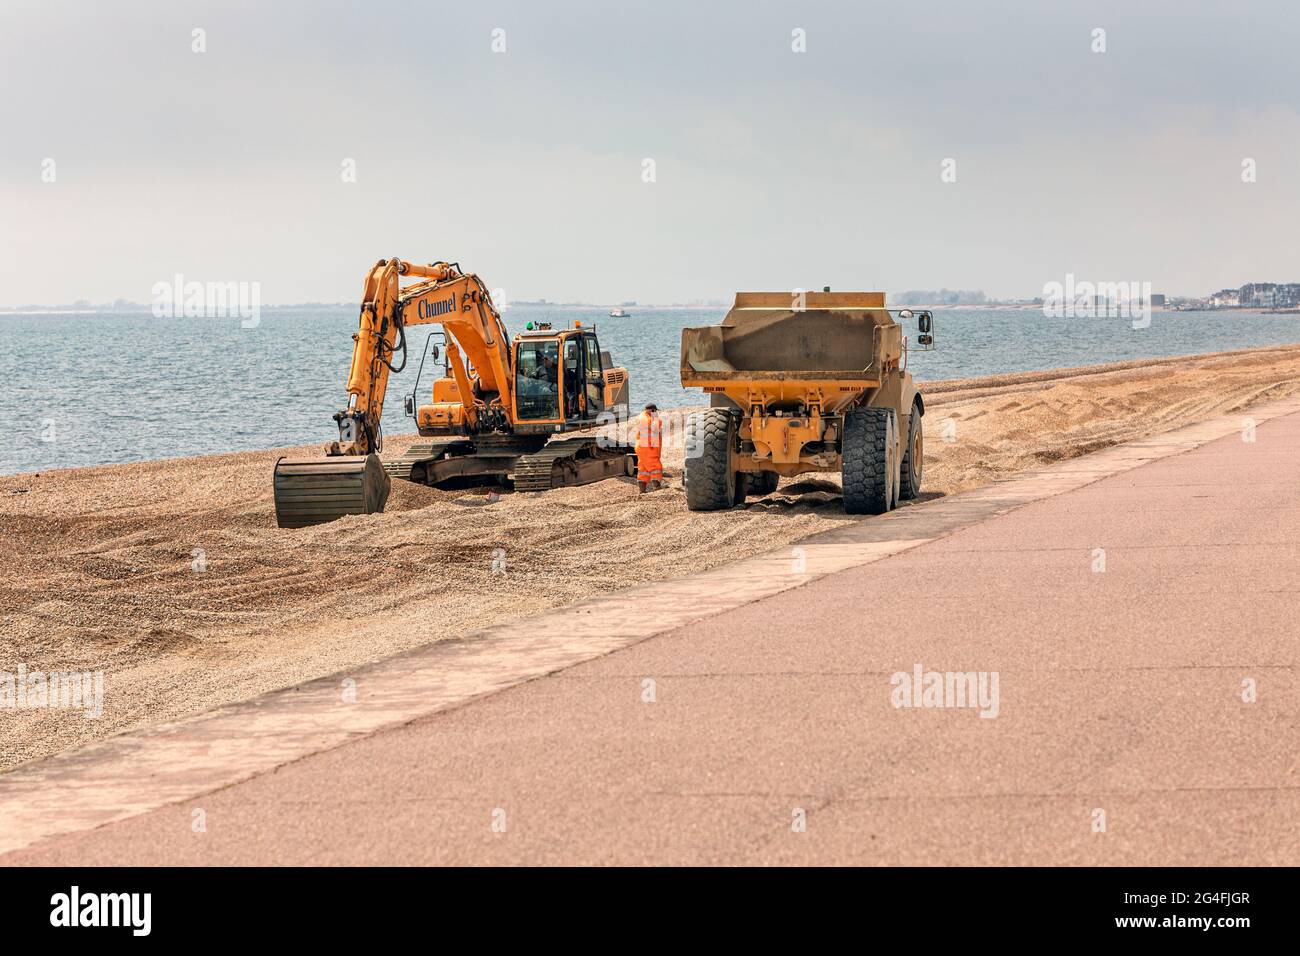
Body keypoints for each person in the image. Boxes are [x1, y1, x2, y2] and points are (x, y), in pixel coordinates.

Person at [634, 403, 663, 493]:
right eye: (655, 411)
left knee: (643, 468)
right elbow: (657, 426)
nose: (656, 413)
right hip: (649, 447)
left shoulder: (641, 417)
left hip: (640, 446)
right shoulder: (651, 419)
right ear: (651, 410)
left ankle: (642, 490)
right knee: (655, 466)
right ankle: (657, 488)